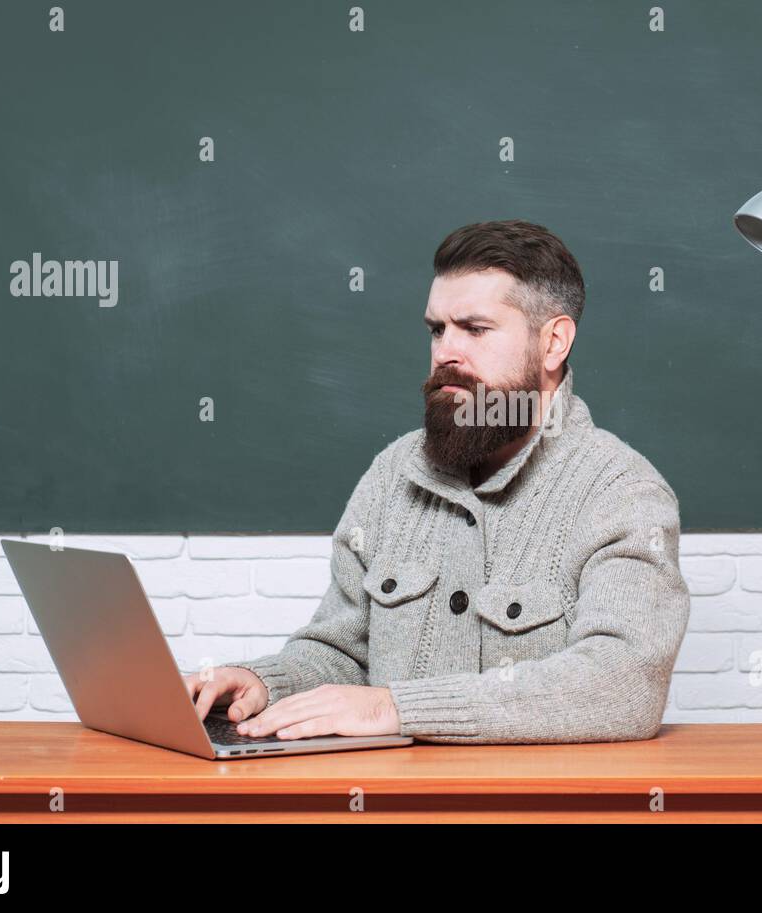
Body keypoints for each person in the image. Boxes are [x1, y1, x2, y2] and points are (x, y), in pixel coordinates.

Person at [184, 219, 690, 743]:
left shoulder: (623, 493)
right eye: (437, 329)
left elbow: (623, 686)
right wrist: (266, 683)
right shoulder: (392, 473)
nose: (446, 351)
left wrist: (397, 708)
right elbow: (341, 651)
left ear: (554, 343)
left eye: (475, 329)